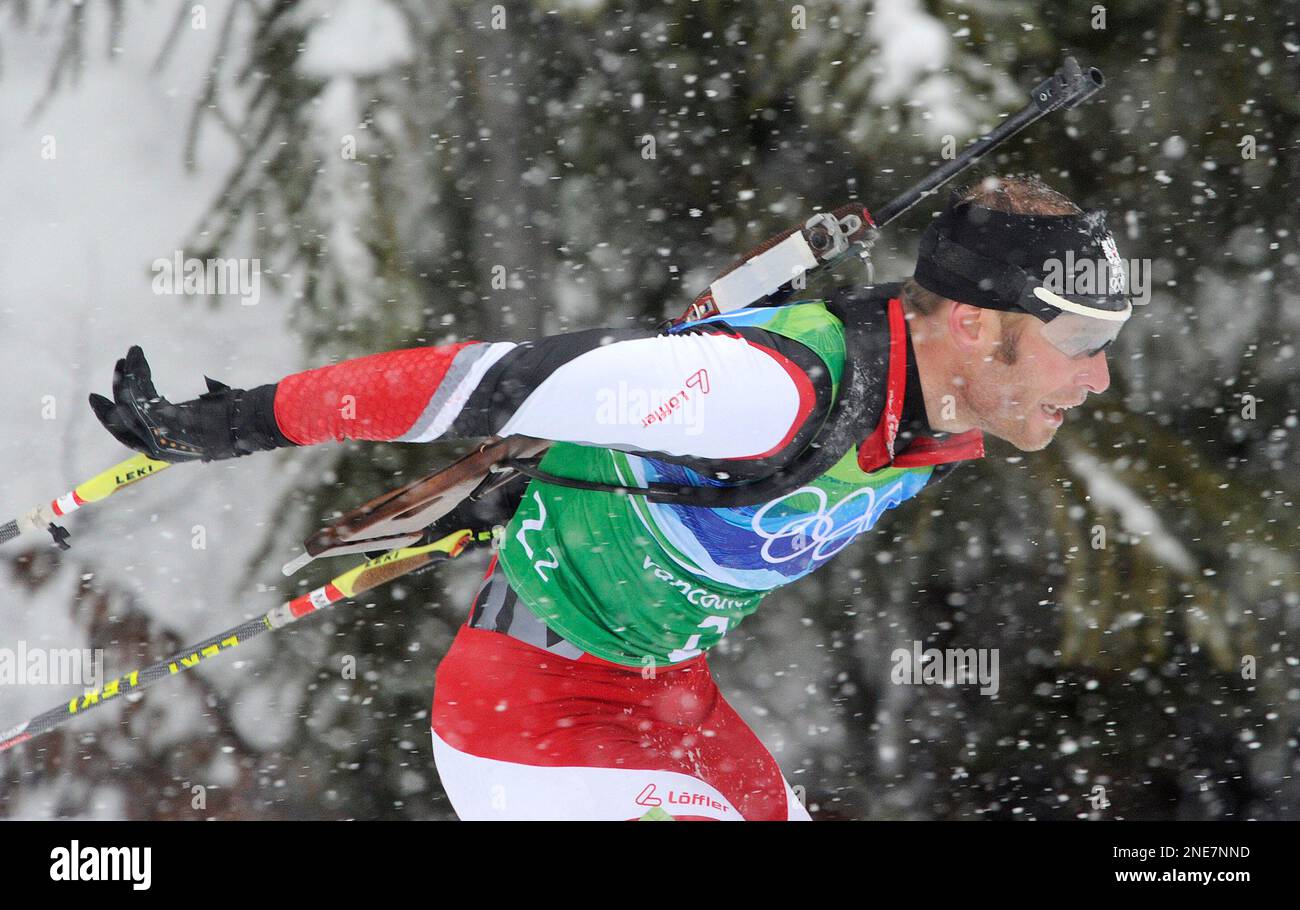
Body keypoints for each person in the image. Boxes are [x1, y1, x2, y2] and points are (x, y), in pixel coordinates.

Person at [90, 174, 1131, 820]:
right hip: (527, 718)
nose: (1097, 379)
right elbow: (484, 380)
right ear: (968, 323)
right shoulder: (772, 392)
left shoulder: (933, 414)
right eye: (1077, 343)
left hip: (668, 701)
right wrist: (241, 422)